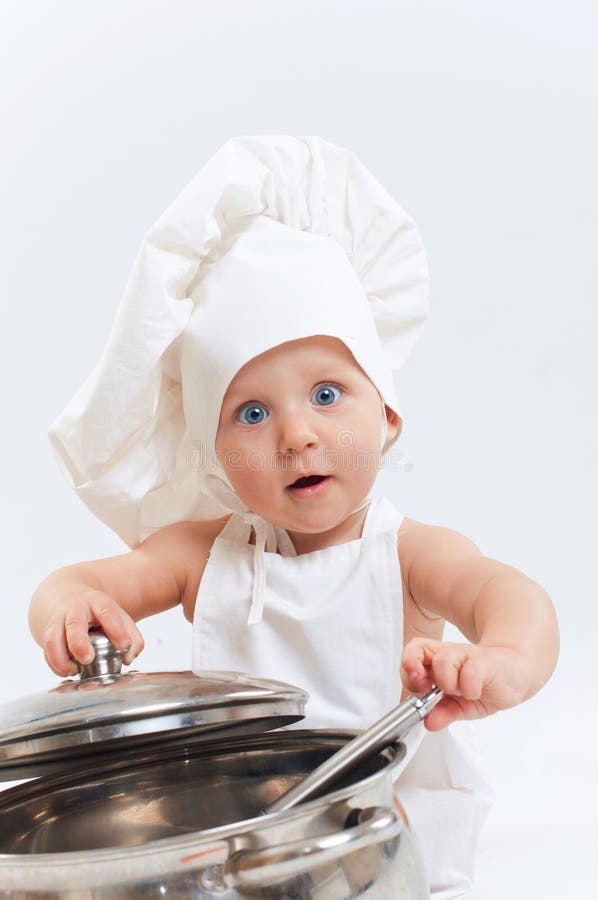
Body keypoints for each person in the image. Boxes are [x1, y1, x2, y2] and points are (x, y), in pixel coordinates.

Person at [28, 136, 559, 898]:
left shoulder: (407, 555)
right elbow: (68, 582)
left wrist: (504, 659)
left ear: (389, 416)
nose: (296, 435)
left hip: (384, 827)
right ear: (213, 456)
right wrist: (75, 608)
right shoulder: (201, 554)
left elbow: (506, 595)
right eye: (250, 412)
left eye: (326, 394)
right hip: (235, 835)